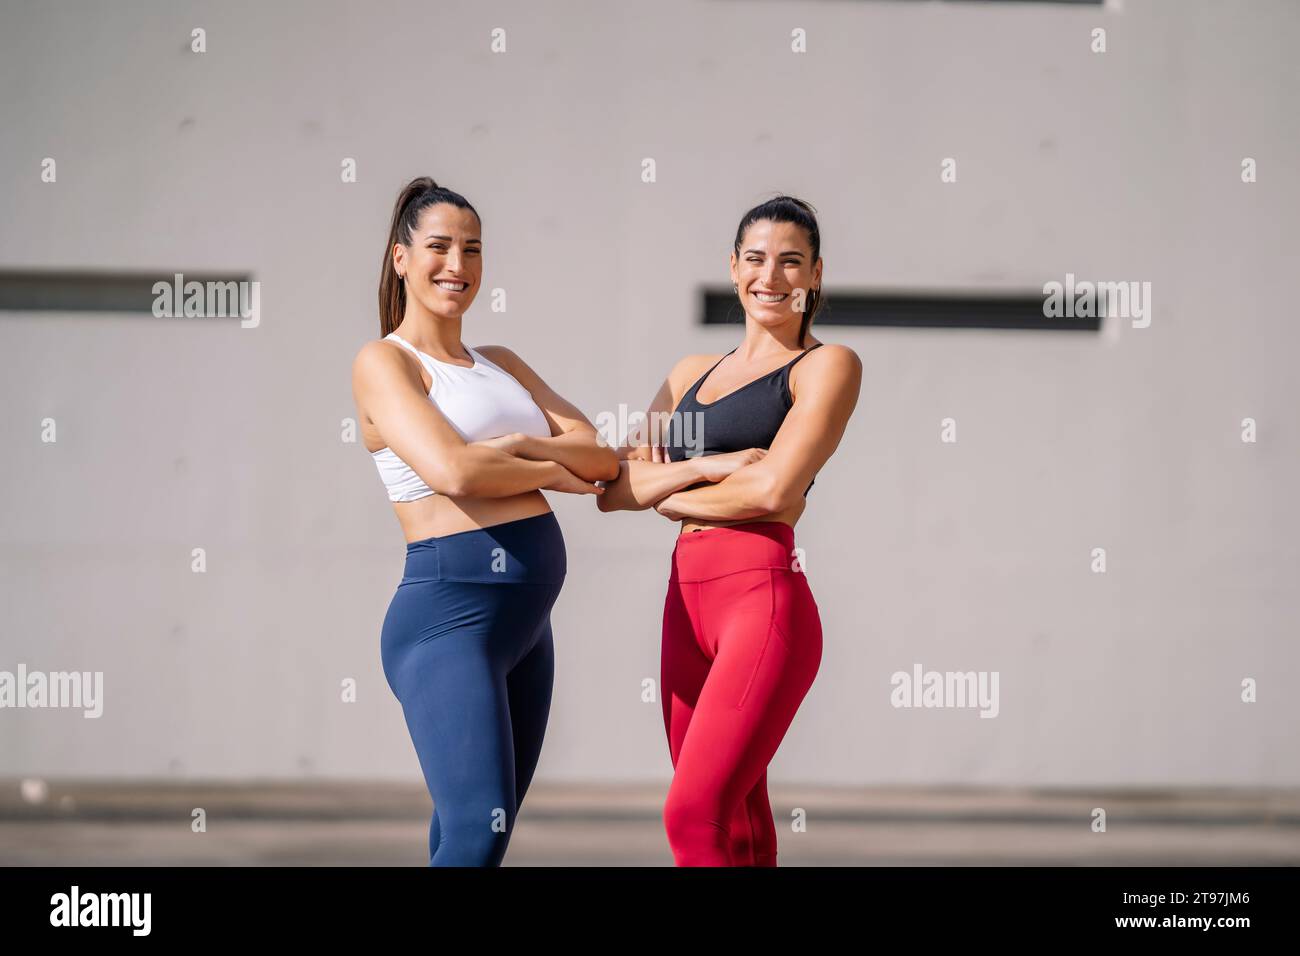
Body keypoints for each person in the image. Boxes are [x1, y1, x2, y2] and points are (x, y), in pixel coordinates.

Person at [351, 177, 617, 865]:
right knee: (477, 830)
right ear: (400, 257)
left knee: (473, 838)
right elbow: (455, 474)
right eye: (438, 247)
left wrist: (520, 450)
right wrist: (554, 470)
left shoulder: (501, 364)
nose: (458, 266)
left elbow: (600, 459)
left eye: (472, 250)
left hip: (527, 632)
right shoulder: (385, 363)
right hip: (448, 619)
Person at [597, 196, 862, 866]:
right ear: (733, 266)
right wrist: (711, 473)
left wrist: (670, 491)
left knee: (693, 817)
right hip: (685, 608)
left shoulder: (824, 367)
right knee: (738, 823)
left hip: (762, 604)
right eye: (755, 258)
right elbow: (616, 489)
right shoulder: (690, 375)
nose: (769, 275)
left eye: (790, 261)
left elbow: (775, 490)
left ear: (816, 275)